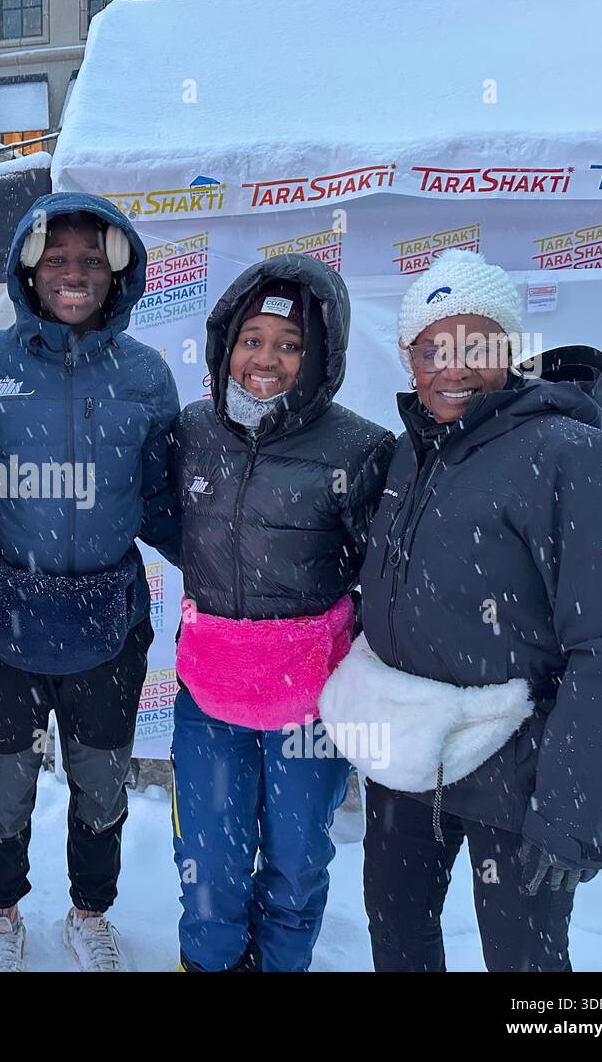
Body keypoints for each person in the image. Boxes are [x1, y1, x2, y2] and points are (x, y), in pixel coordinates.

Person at [320, 248, 602, 972]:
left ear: (510, 349)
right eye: (434, 347)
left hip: (522, 775)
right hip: (411, 758)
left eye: (477, 342)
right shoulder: (412, 452)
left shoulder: (573, 455)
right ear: (410, 359)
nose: (455, 365)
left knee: (525, 966)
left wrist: (573, 807)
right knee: (398, 934)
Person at [0, 192, 180, 971]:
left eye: (89, 260)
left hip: (108, 622)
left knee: (101, 782)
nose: (73, 273)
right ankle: (2, 909)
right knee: (6, 783)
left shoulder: (146, 377)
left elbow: (163, 501)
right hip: (6, 618)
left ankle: (89, 911)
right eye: (57, 259)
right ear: (28, 269)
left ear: (117, 273)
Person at [171, 254, 394, 972]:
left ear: (321, 354)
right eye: (253, 339)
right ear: (225, 344)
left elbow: (379, 573)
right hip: (210, 693)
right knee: (208, 860)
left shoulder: (359, 448)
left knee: (296, 861)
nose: (266, 359)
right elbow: (158, 521)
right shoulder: (193, 431)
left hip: (310, 700)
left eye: (290, 344)